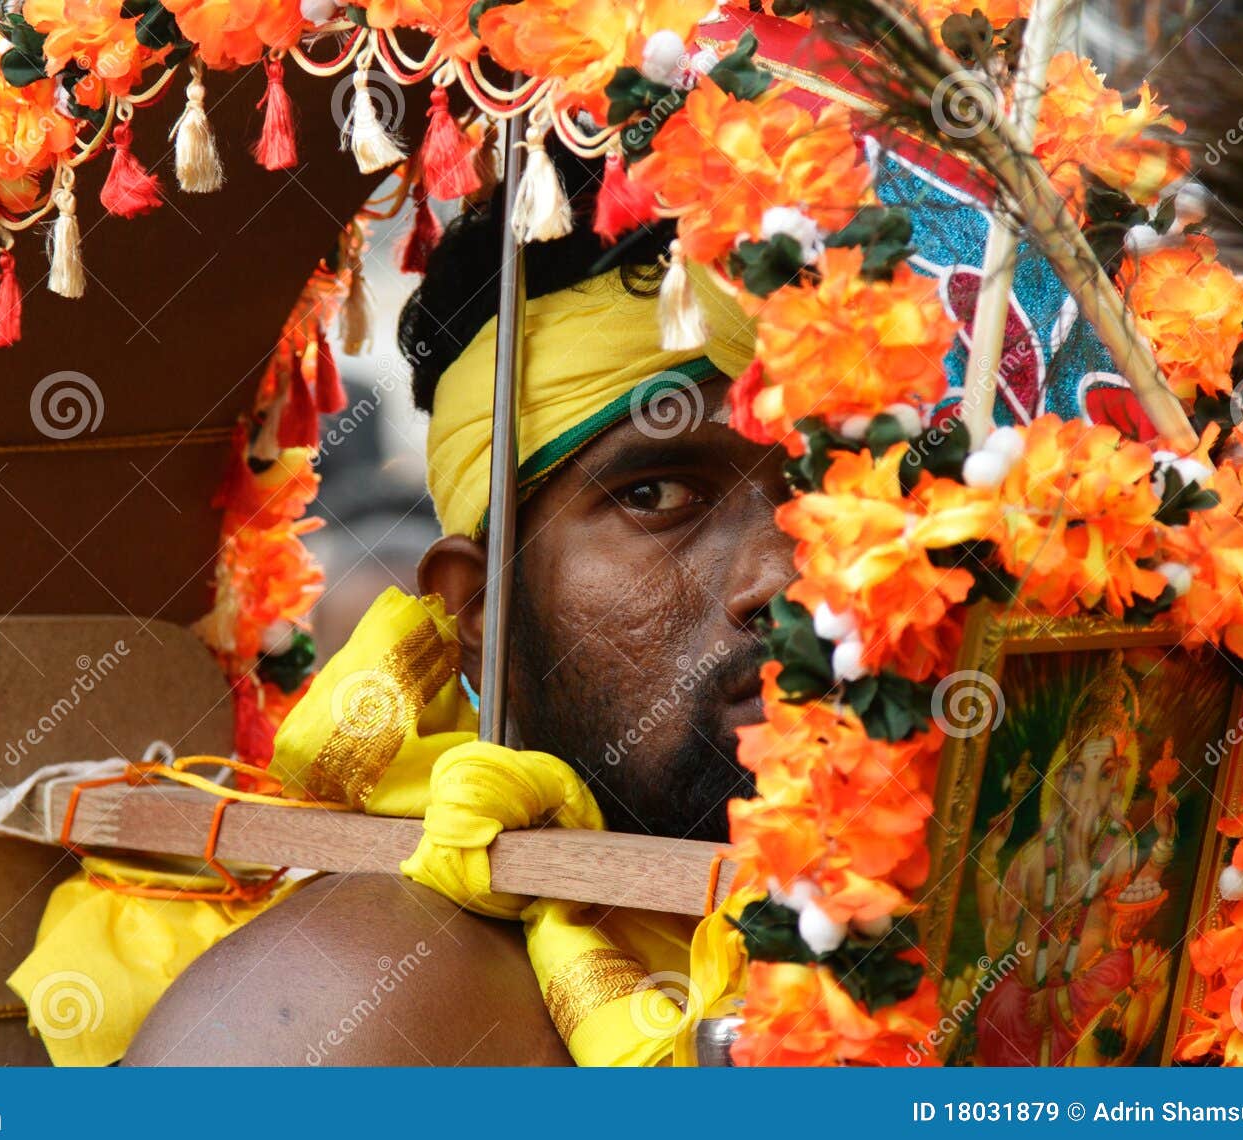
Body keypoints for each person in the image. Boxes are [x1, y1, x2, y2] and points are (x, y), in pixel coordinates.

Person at [124, 156, 796, 1066]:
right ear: (477, 606)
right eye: (658, 492)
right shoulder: (344, 1019)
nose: (786, 575)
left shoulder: (1004, 916)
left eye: (832, 481)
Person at [973, 659, 1179, 1066]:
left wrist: (1164, 847)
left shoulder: (1119, 844)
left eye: (1104, 775)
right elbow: (998, 927)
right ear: (1062, 778)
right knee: (1001, 1005)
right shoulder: (1037, 852)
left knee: (1121, 965)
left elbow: (1121, 927)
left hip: (1081, 992)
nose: (1088, 791)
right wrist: (990, 857)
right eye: (1078, 774)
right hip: (1023, 994)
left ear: (1120, 778)